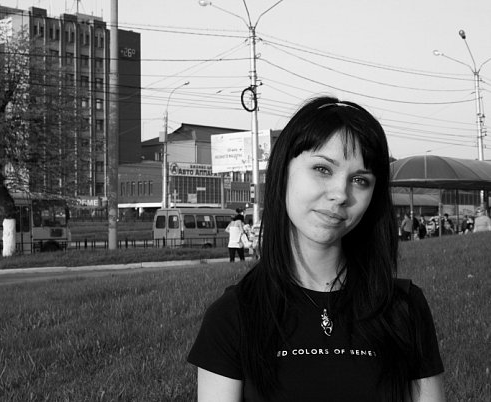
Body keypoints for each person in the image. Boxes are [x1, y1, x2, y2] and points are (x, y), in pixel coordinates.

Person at [188, 97, 445, 401]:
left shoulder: (405, 308)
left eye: (360, 180)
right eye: (323, 169)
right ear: (283, 172)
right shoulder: (234, 315)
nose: (340, 194)